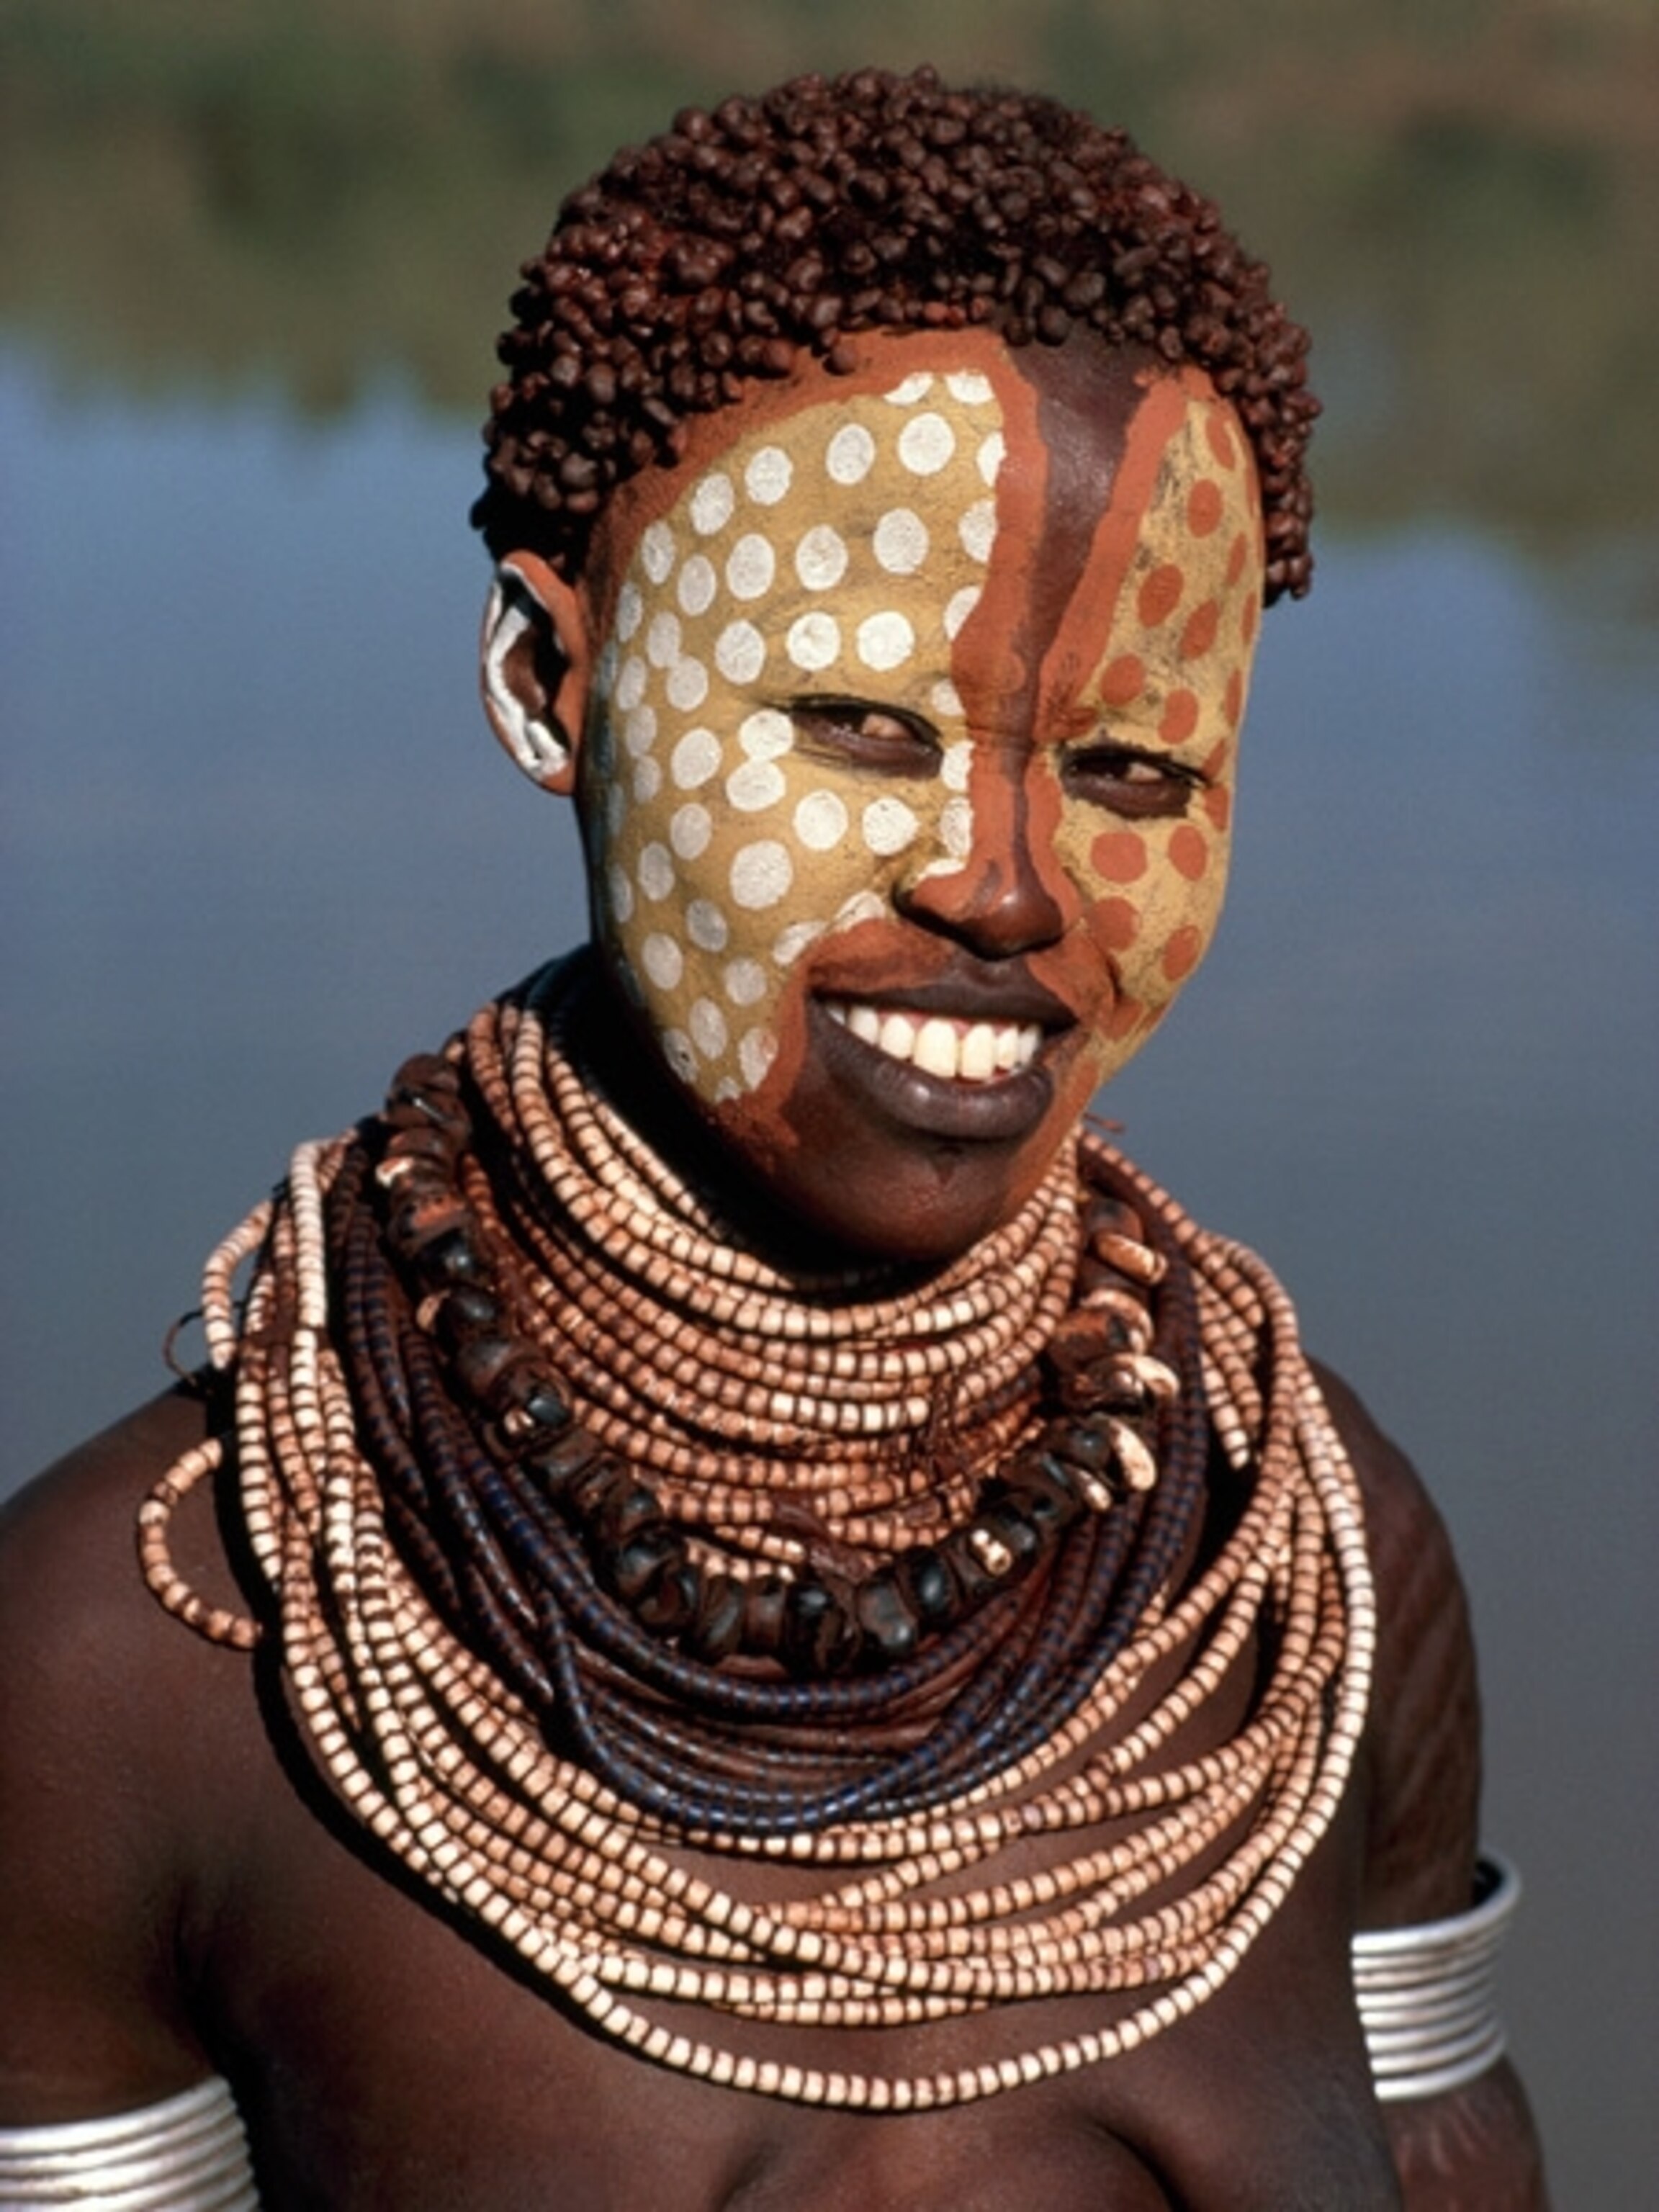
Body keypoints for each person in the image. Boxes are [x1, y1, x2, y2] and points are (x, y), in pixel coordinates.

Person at [0, 66, 1547, 2209]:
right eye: (855, 730)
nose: (1007, 888)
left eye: (1124, 773)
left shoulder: (1303, 1561)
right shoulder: (149, 1653)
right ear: (555, 680)